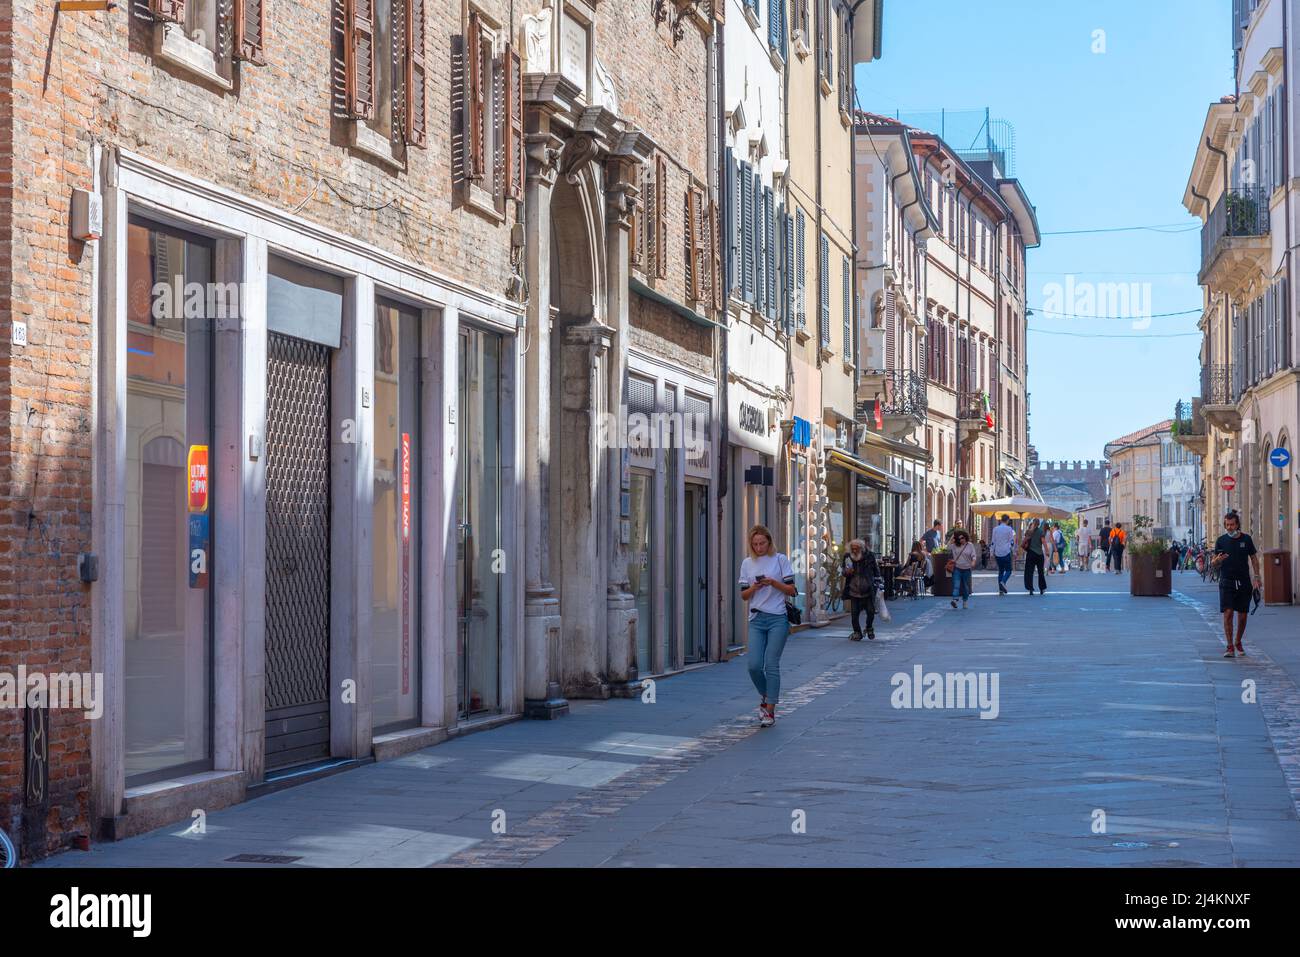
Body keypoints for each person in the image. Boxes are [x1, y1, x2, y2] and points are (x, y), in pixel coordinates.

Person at [738, 525, 797, 727]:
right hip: (756, 619)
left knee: (771, 663)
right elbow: (744, 595)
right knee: (753, 666)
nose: (759, 547)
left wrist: (773, 583)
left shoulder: (780, 560)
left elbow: (792, 590)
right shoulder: (747, 563)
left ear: (769, 542)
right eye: (755, 544)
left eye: (762, 543)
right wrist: (755, 587)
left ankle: (770, 709)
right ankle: (766, 694)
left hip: (777, 619)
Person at [1212, 510, 1261, 658]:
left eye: (1232, 525)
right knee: (1228, 613)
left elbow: (1253, 558)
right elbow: (1213, 563)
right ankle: (1229, 646)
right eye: (1227, 525)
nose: (1229, 528)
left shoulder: (1246, 539)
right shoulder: (1221, 541)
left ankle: (1238, 640)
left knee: (1243, 616)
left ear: (1237, 524)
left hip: (1244, 582)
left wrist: (1257, 577)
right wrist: (1218, 561)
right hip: (1226, 581)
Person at [841, 539, 881, 641]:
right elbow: (843, 572)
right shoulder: (847, 557)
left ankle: (869, 627)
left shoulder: (869, 556)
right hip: (854, 590)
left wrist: (878, 584)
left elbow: (876, 571)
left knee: (871, 612)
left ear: (861, 549)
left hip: (868, 590)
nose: (854, 551)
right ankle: (857, 632)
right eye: (852, 549)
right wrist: (847, 572)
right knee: (854, 614)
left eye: (856, 549)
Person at [949, 529, 979, 609]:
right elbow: (948, 546)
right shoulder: (954, 546)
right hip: (957, 568)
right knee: (956, 585)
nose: (961, 540)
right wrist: (953, 538)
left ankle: (965, 601)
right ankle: (955, 600)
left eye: (962, 538)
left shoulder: (970, 545)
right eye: (959, 539)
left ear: (965, 537)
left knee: (965, 586)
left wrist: (973, 561)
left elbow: (973, 555)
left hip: (967, 569)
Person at [990, 514, 1016, 595]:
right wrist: (1014, 551)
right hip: (1006, 552)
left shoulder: (995, 529)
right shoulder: (1009, 529)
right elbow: (1011, 542)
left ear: (1001, 520)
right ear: (1007, 520)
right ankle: (1003, 582)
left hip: (998, 552)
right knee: (1008, 570)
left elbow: (993, 541)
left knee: (1001, 571)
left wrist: (991, 552)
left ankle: (1000, 590)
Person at [1021, 517, 1048, 594]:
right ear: (1039, 524)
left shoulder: (1029, 531)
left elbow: (1024, 541)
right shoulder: (1041, 531)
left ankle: (1030, 589)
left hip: (1030, 553)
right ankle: (1042, 588)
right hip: (1039, 554)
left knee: (1029, 572)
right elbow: (1043, 542)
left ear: (1033, 523)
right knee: (1040, 572)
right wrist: (1047, 551)